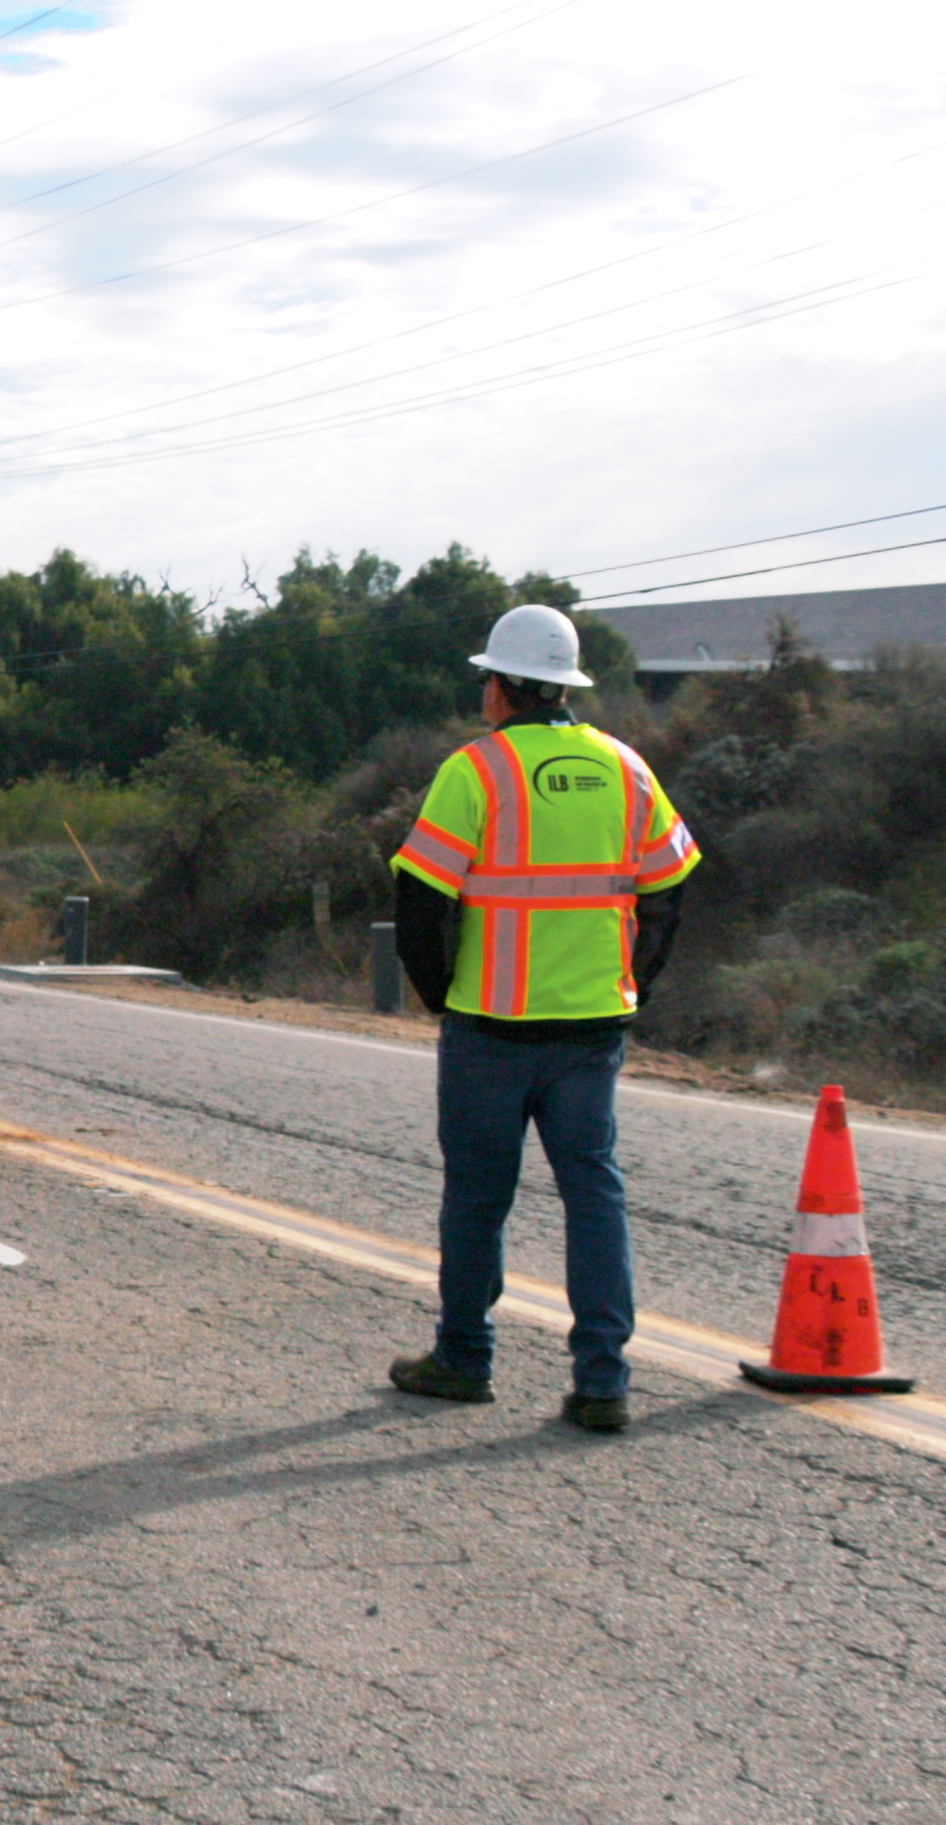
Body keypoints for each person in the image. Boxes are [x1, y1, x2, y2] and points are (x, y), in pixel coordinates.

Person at [386, 604, 702, 1434]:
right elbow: (668, 889)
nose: (483, 692)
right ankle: (603, 1382)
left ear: (505, 688)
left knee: (478, 1198)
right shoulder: (627, 768)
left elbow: (418, 900)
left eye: (487, 678)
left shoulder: (478, 770)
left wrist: (438, 994)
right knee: (594, 1195)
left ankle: (465, 1359)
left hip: (491, 1024)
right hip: (592, 1027)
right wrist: (634, 982)